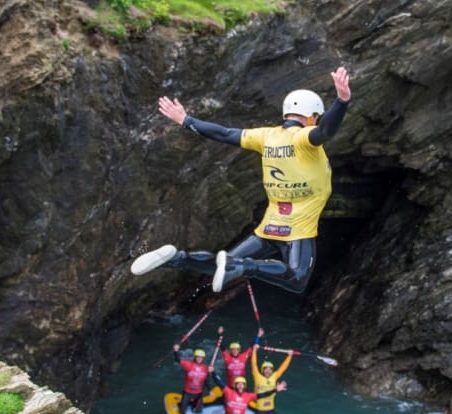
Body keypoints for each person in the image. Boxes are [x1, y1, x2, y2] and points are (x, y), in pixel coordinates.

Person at [130, 66, 353, 294]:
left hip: (269, 226)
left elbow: (224, 134)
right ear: (313, 117)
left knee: (222, 264)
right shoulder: (304, 138)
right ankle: (245, 266)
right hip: (298, 229)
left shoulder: (265, 136)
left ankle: (176, 258)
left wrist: (186, 120)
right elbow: (325, 131)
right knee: (297, 278)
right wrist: (341, 102)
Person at [248, 331, 294, 414]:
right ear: (262, 370)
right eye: (266, 369)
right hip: (260, 410)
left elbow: (283, 368)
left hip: (270, 410)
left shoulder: (275, 376)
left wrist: (289, 356)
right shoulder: (257, 376)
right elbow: (253, 363)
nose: (268, 371)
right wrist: (254, 350)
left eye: (269, 369)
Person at [172, 344, 212, 414]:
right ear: (195, 357)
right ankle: (187, 403)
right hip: (187, 392)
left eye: (201, 357)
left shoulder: (205, 368)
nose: (199, 359)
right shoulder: (188, 365)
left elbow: (206, 380)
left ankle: (193, 403)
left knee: (199, 411)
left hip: (198, 394)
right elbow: (177, 359)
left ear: (203, 358)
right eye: (198, 357)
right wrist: (175, 351)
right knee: (182, 412)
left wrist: (210, 390)